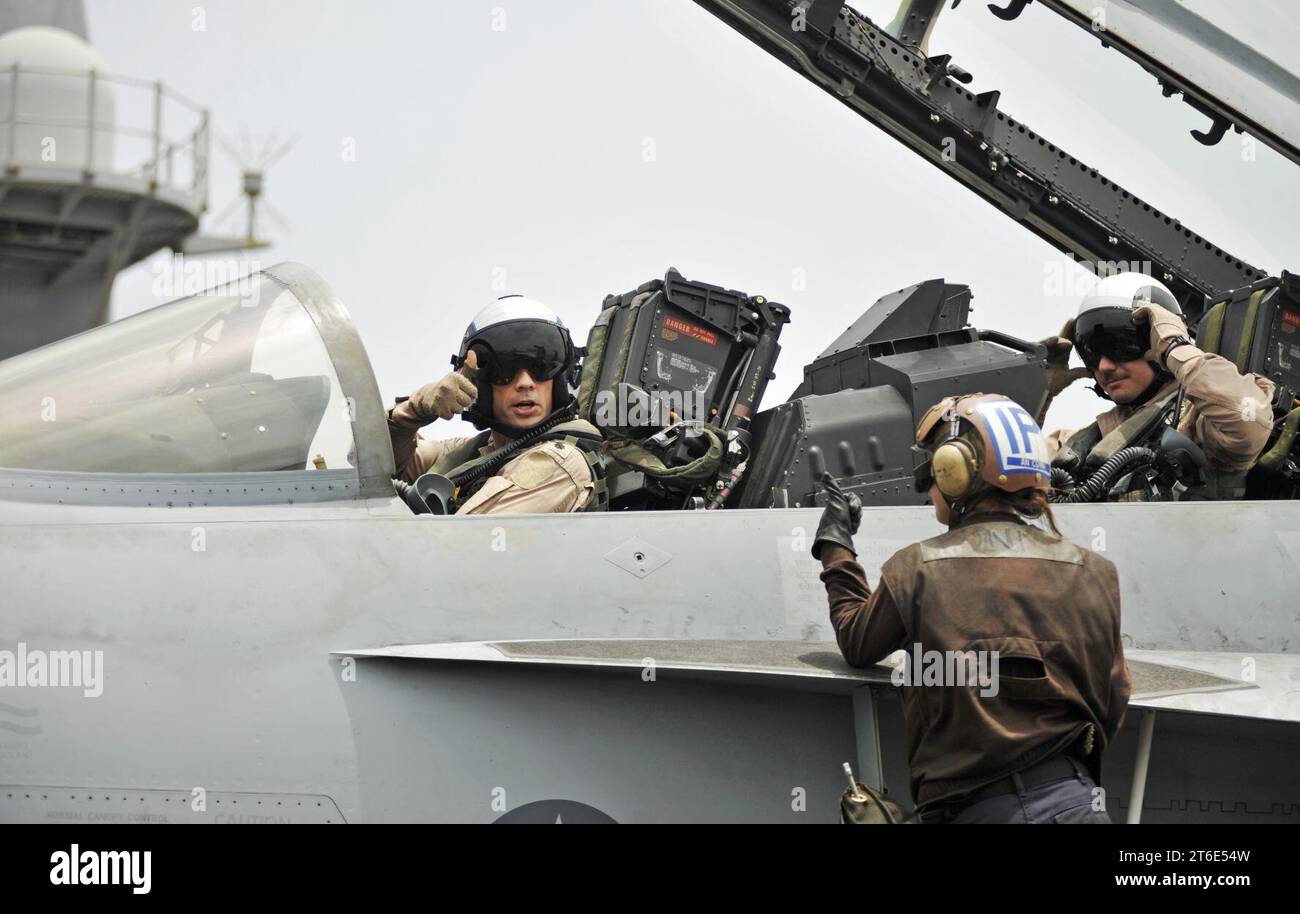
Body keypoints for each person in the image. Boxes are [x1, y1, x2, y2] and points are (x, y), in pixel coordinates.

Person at [813, 393, 1130, 823]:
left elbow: (857, 641)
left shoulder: (917, 568)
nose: (929, 486)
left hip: (977, 808)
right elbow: (1112, 696)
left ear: (956, 469)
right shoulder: (1096, 571)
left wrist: (836, 547)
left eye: (932, 470)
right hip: (1076, 802)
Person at [1039, 272, 1275, 499]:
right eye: (1092, 353)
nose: (1104, 366)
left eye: (1119, 347)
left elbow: (1248, 422)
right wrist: (1039, 390)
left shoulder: (1200, 422)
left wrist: (1175, 347)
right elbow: (1006, 470)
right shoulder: (1078, 442)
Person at [387, 295, 605, 514]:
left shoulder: (559, 463)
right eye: (504, 371)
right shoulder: (474, 453)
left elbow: (456, 541)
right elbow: (367, 469)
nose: (525, 383)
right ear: (478, 385)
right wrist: (415, 409)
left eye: (542, 367)